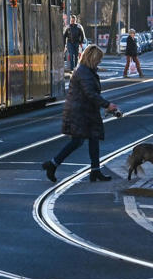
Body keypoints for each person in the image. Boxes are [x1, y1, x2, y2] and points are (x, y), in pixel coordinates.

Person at [42, 45, 120, 182]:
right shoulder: (84, 73)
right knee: (77, 141)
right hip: (79, 112)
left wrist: (104, 105)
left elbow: (91, 94)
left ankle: (95, 170)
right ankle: (53, 164)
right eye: (98, 60)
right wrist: (107, 104)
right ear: (92, 59)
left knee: (93, 139)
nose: (99, 62)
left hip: (85, 111)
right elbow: (90, 93)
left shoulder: (87, 71)